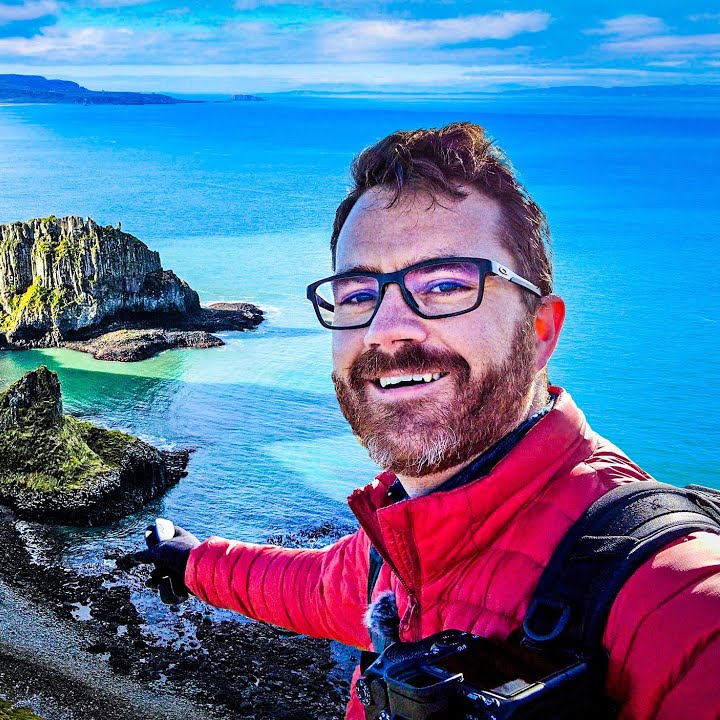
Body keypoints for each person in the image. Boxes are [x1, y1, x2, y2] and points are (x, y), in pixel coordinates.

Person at [134, 122, 720, 720]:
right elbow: (307, 587)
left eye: (445, 284)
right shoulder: (395, 556)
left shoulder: (670, 596)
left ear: (539, 331)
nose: (387, 328)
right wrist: (189, 559)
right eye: (358, 294)